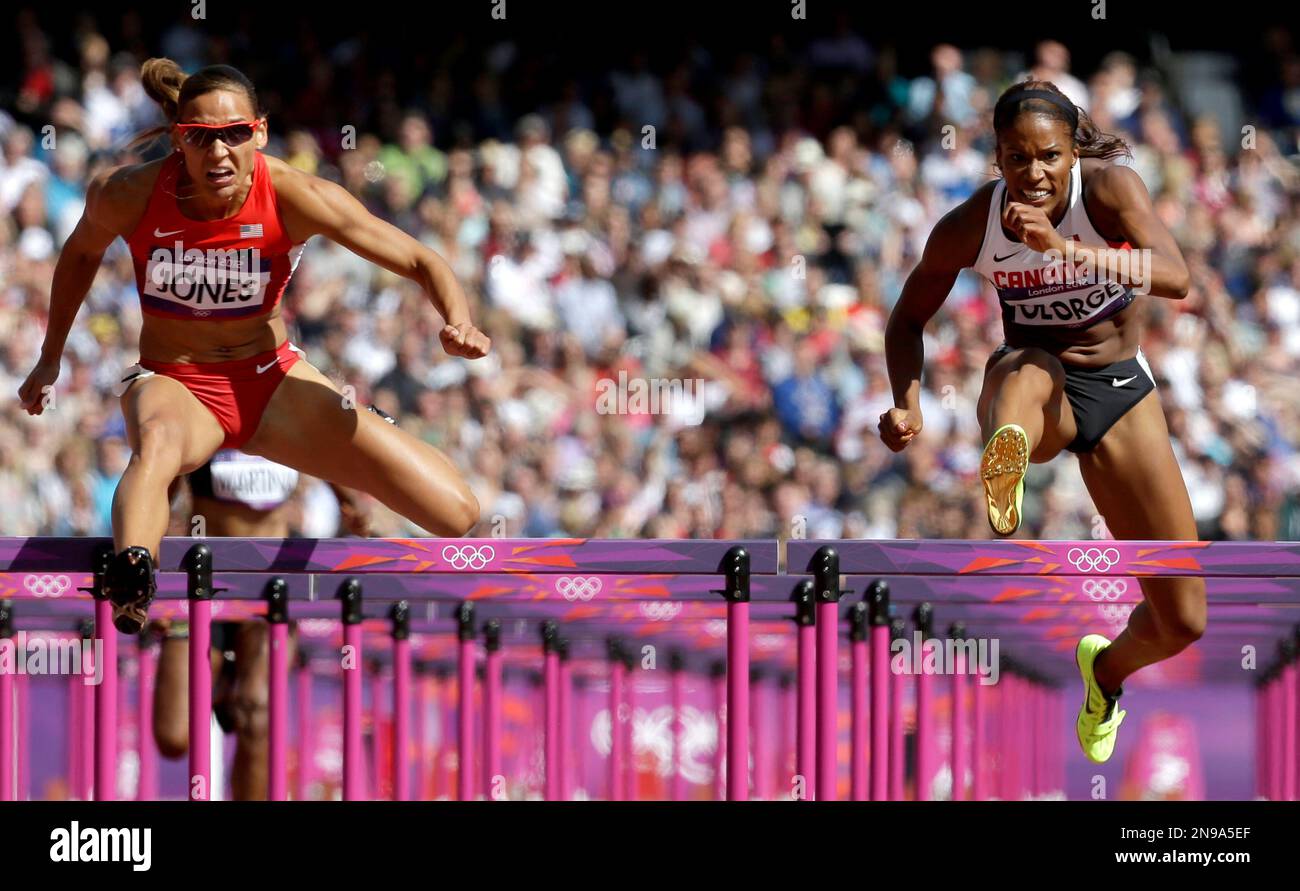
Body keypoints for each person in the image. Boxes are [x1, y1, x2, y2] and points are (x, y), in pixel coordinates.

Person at [18, 59, 486, 635]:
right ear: (178, 140)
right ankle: (132, 577)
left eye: (235, 134)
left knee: (457, 514)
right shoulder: (130, 193)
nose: (219, 153)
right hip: (176, 381)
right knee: (158, 440)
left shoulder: (295, 194)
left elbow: (419, 258)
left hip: (272, 384)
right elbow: (80, 255)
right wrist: (50, 355)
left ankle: (370, 425)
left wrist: (458, 321)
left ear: (259, 132)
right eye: (201, 138)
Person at [878, 80, 1206, 764]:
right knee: (1026, 373)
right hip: (1035, 384)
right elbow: (907, 317)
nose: (1034, 174)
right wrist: (906, 399)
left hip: (1119, 388)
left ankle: (1106, 673)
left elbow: (1176, 278)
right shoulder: (973, 223)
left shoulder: (1111, 190)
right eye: (1016, 158)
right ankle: (1006, 464)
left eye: (1049, 156)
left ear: (1072, 151)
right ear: (998, 159)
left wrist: (1066, 248)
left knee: (1183, 619)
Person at [152, 446, 373, 800]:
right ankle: (223, 680)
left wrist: (355, 507)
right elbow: (159, 493)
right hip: (202, 579)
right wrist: (155, 578)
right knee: (175, 737)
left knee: (257, 711)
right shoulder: (204, 417)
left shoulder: (288, 416)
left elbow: (336, 458)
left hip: (271, 582)